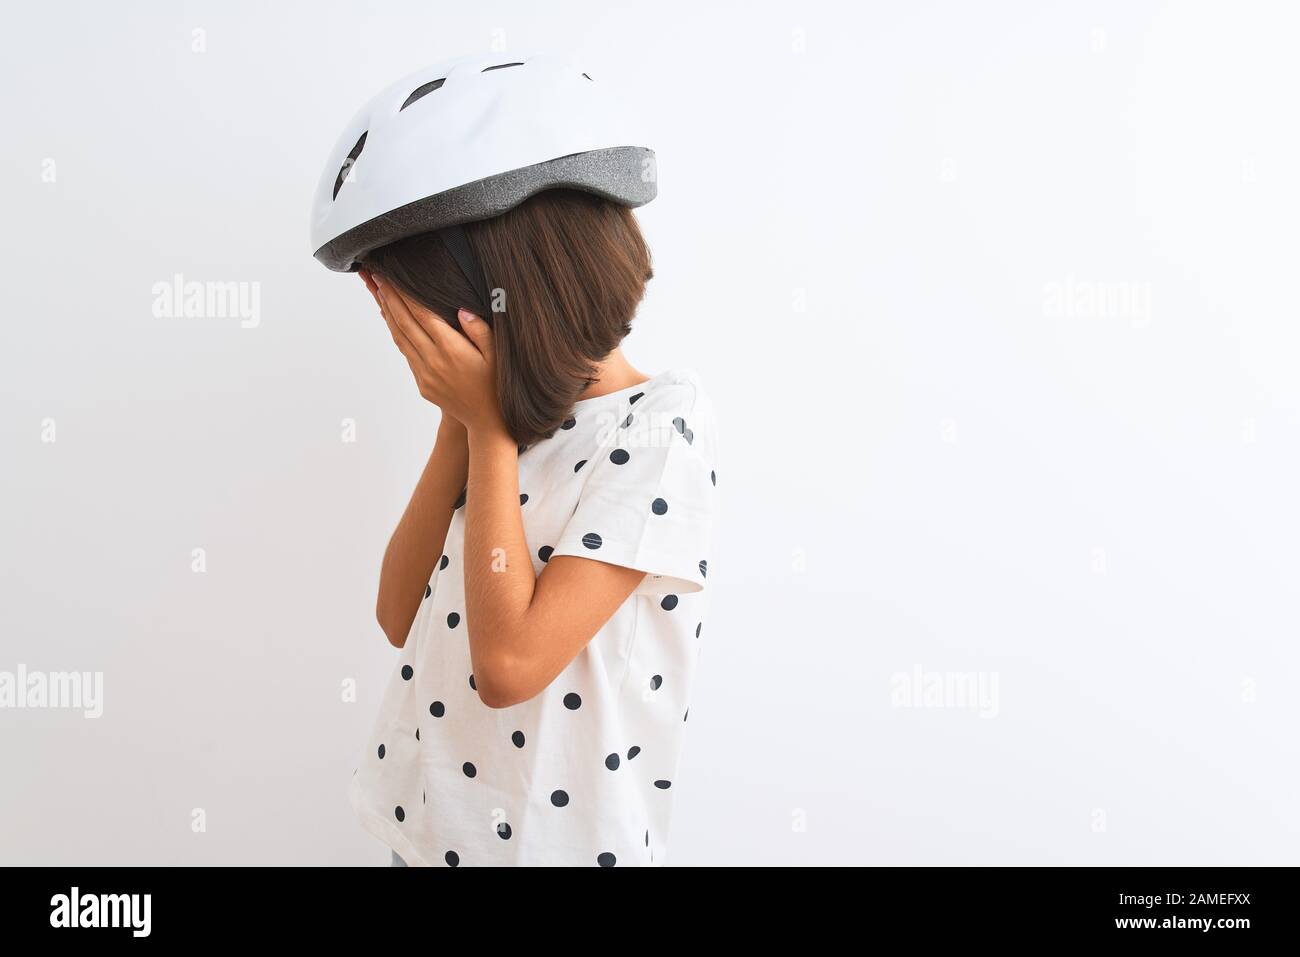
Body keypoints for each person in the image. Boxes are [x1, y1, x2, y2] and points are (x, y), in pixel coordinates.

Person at [310, 54, 719, 866]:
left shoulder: (658, 431)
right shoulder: (504, 420)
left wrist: (489, 431)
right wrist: (459, 425)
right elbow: (399, 615)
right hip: (427, 837)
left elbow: (507, 664)